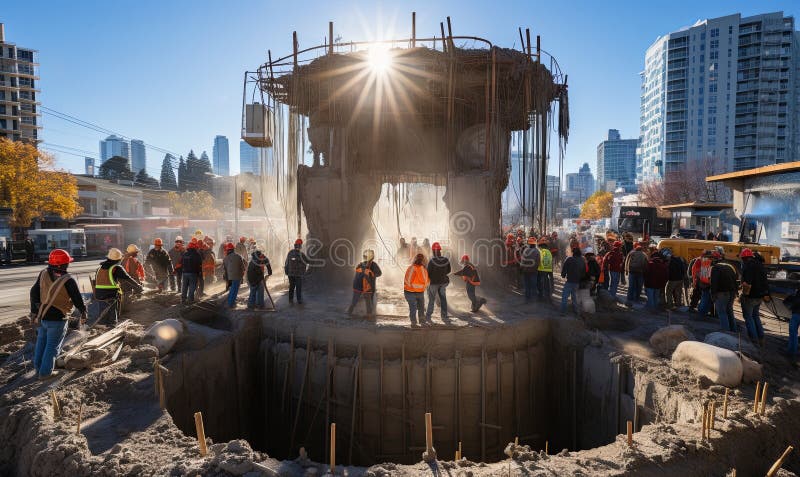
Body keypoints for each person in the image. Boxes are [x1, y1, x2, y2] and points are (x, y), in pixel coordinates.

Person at [30, 249, 87, 379]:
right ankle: (45, 373)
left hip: (42, 315)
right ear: (63, 264)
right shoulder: (68, 280)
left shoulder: (43, 273)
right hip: (58, 318)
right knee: (52, 346)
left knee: (41, 342)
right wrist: (83, 312)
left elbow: (33, 292)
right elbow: (77, 299)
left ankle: (38, 368)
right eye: (67, 262)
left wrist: (34, 311)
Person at [93, 247, 142, 325]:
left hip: (99, 294)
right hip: (110, 294)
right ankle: (112, 325)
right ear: (118, 259)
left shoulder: (100, 268)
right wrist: (138, 287)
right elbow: (128, 279)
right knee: (112, 313)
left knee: (103, 312)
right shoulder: (116, 268)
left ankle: (102, 325)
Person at [740, 248, 769, 346]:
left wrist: (744, 295)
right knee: (755, 316)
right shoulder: (760, 265)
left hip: (751, 297)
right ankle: (761, 338)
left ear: (745, 258)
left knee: (748, 317)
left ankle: (754, 340)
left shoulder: (749, 266)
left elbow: (747, 283)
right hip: (760, 296)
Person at [348, 249, 382, 319]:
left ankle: (369, 314)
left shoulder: (373, 265)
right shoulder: (361, 265)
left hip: (367, 286)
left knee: (368, 301)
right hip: (361, 286)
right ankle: (351, 312)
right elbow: (358, 274)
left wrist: (373, 275)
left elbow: (379, 273)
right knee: (356, 301)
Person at [710, 252, 738, 332]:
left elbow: (714, 282)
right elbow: (736, 279)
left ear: (714, 259)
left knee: (722, 313)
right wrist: (736, 292)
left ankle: (725, 332)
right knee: (729, 312)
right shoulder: (729, 266)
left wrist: (713, 294)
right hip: (731, 292)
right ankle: (733, 330)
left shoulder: (715, 268)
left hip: (722, 293)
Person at [426, 242, 451, 322]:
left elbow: (428, 273)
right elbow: (448, 271)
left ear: (433, 251)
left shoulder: (432, 261)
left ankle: (428, 316)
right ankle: (444, 316)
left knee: (431, 300)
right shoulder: (446, 260)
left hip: (434, 283)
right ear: (440, 250)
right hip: (443, 283)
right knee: (443, 299)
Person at [404, 253, 430, 326]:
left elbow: (426, 281)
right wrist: (414, 287)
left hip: (418, 292)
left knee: (419, 308)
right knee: (415, 307)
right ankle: (415, 322)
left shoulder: (422, 269)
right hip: (411, 292)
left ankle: (420, 322)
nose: (420, 260)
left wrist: (419, 287)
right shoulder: (414, 268)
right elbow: (408, 281)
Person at [560, 248, 586, 314]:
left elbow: (564, 268)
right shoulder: (582, 260)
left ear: (573, 253)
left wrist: (563, 275)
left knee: (565, 296)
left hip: (569, 281)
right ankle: (576, 311)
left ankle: (563, 311)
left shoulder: (569, 259)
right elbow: (584, 272)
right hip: (577, 282)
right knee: (575, 297)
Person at [285, 239, 309, 304]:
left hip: (291, 274)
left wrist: (286, 271)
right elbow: (307, 261)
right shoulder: (301, 254)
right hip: (298, 274)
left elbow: (286, 262)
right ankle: (299, 300)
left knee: (291, 287)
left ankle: (290, 299)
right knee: (298, 287)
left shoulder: (290, 253)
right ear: (300, 246)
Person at [223, 242, 246, 308]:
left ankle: (231, 302)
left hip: (229, 276)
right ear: (233, 249)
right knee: (235, 289)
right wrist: (242, 273)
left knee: (232, 289)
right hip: (237, 275)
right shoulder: (238, 256)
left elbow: (225, 269)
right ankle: (231, 303)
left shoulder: (225, 258)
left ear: (227, 250)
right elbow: (243, 267)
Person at [180, 239, 203, 304]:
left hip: (185, 273)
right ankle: (190, 300)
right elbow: (199, 264)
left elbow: (181, 263)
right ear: (195, 247)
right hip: (193, 273)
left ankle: (183, 299)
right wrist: (199, 273)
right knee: (192, 286)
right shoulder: (197, 254)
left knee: (184, 286)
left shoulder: (185, 254)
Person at [520, 237, 540, 302]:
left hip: (525, 271)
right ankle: (533, 299)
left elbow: (522, 260)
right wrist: (536, 268)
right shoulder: (537, 251)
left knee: (527, 285)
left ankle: (527, 298)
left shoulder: (525, 250)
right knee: (533, 284)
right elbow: (538, 262)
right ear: (535, 243)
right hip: (533, 271)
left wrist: (521, 268)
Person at [694, 251, 714, 316]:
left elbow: (698, 272)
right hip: (708, 283)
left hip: (703, 282)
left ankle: (703, 312)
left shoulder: (703, 261)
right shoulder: (710, 262)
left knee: (705, 298)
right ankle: (701, 313)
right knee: (705, 299)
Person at [783, 288, 800, 360]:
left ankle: (791, 352)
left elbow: (787, 302)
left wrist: (791, 295)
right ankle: (792, 351)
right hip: (796, 313)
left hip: (796, 314)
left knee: (793, 334)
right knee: (794, 333)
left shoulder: (797, 294)